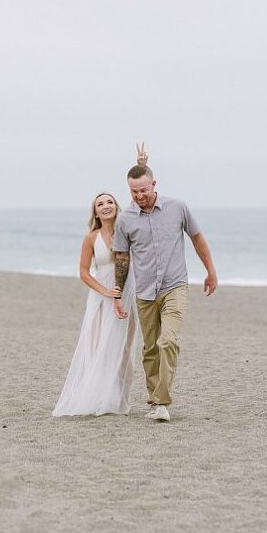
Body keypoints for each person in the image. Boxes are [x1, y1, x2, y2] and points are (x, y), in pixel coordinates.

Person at [112, 143, 218, 423]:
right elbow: (121, 258)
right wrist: (117, 294)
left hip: (175, 286)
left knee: (167, 341)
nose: (139, 196)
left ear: (154, 185)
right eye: (134, 192)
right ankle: (154, 399)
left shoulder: (177, 207)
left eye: (144, 191)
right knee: (150, 349)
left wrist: (210, 270)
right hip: (145, 291)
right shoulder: (125, 220)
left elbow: (196, 237)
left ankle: (161, 402)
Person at [52, 192, 141, 417]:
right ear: (96, 212)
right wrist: (106, 292)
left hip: (127, 294)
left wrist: (142, 166)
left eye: (109, 202)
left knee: (124, 350)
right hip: (101, 298)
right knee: (96, 347)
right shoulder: (91, 238)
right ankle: (97, 397)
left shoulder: (126, 230)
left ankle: (119, 402)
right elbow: (83, 272)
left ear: (116, 206)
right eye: (100, 204)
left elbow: (137, 200)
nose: (105, 206)